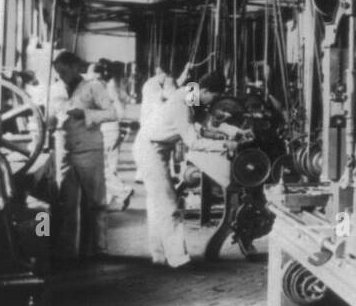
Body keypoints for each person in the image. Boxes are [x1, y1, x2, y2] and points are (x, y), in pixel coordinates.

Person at [132, 70, 231, 268]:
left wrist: (218, 132)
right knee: (168, 205)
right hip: (150, 149)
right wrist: (226, 145)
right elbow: (192, 141)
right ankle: (178, 259)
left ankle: (159, 255)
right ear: (205, 90)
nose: (212, 102)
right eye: (214, 97)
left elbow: (195, 124)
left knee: (157, 204)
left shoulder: (190, 91)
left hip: (153, 146)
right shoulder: (182, 103)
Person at [51, 51, 117, 261]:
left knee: (95, 203)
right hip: (65, 151)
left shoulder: (93, 86)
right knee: (67, 204)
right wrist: (49, 123)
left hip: (90, 150)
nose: (61, 76)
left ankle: (99, 250)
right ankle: (67, 251)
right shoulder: (54, 89)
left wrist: (86, 114)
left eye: (63, 71)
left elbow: (112, 113)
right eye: (57, 72)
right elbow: (49, 116)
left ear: (75, 68)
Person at [96, 60, 133, 211]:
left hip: (107, 129)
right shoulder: (114, 84)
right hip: (113, 127)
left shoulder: (107, 87)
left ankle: (122, 191)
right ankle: (111, 197)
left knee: (101, 167)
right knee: (110, 165)